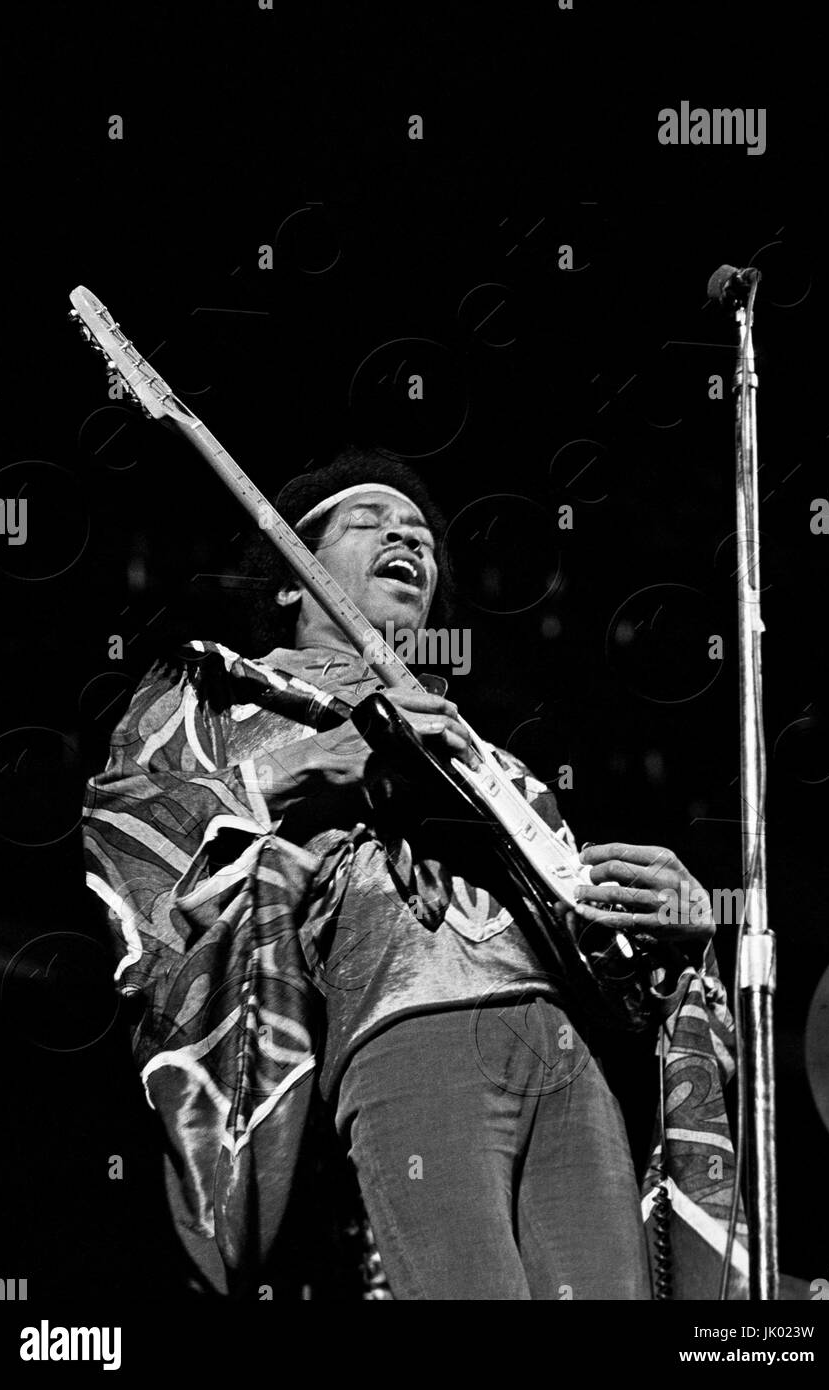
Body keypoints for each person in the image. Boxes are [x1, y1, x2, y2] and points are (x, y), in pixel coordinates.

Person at [82, 446, 745, 1300]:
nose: (408, 535)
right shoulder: (220, 694)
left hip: (566, 1053)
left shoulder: (495, 766)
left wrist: (672, 940)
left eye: (424, 535)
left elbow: (607, 966)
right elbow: (127, 824)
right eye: (368, 521)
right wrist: (313, 765)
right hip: (407, 1023)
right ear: (291, 582)